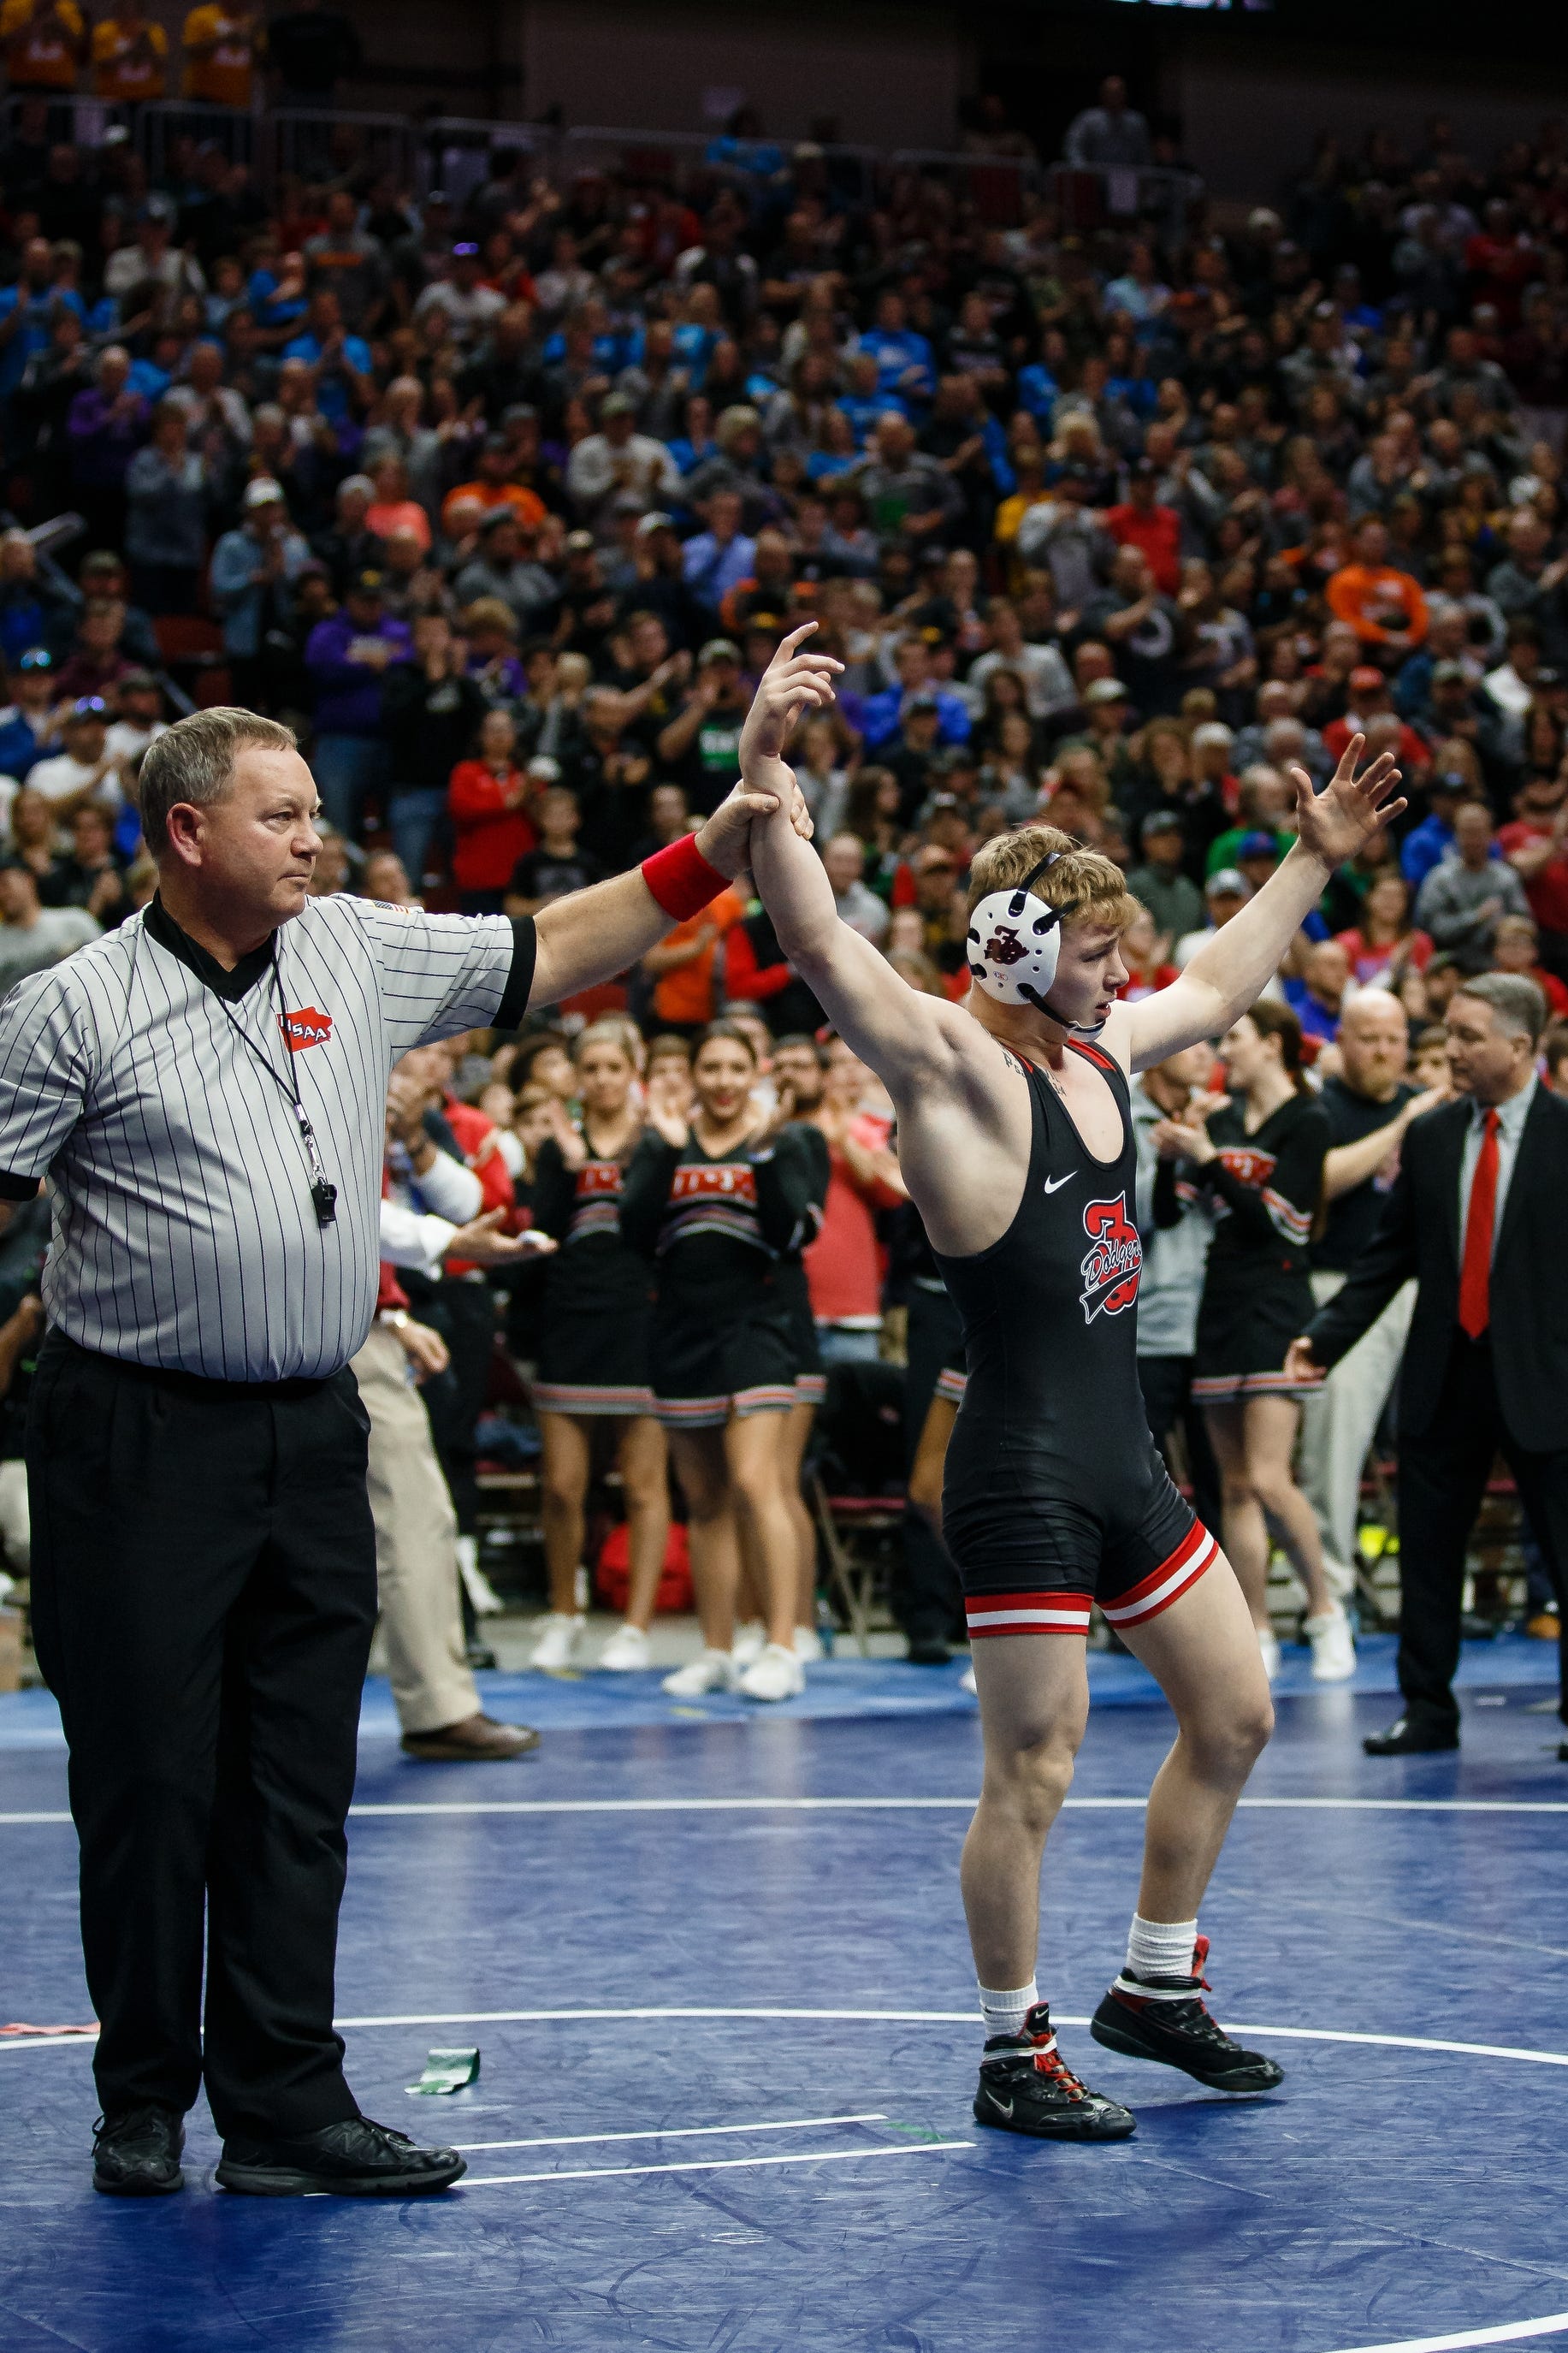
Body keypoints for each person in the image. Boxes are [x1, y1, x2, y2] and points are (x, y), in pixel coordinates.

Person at [0, 698, 808, 2200]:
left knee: (298, 1783)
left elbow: (554, 945)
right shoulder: (69, 1009)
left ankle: (287, 2110)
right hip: (133, 1438)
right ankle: (140, 2100)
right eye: (282, 816)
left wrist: (716, 845)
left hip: (311, 1429)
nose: (318, 836)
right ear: (187, 834)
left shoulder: (352, 949)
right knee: (146, 1786)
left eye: (317, 809)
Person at [746, 622, 1405, 2142]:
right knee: (1032, 1767)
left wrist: (1308, 863)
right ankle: (1006, 2049)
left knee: (1232, 1715)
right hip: (1023, 1475)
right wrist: (766, 767)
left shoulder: (1097, 1059)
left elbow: (1219, 987)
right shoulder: (953, 1076)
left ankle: (1154, 1988)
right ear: (1027, 954)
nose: (1123, 979)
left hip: (1122, 1458)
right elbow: (824, 950)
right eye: (1098, 956)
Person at [1289, 974, 1568, 1757]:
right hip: (1445, 1374)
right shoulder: (1432, 1135)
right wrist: (1325, 1337)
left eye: (1469, 1036)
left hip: (1546, 1381)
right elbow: (1390, 1256)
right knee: (1428, 1553)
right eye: (1448, 1031)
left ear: (1521, 1046)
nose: (1449, 1048)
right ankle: (1427, 1709)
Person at [619, 1019, 825, 1704]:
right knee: (703, 1500)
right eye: (711, 1068)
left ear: (755, 1073)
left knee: (753, 1482)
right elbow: (635, 1231)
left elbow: (789, 1232)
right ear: (692, 1077)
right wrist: (665, 1150)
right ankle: (713, 1650)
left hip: (758, 1329)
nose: (723, 1082)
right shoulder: (662, 1144)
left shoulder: (784, 1141)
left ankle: (781, 1644)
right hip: (678, 1329)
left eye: (736, 1069)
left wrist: (763, 1159)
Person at [1161, 1003, 1352, 1682]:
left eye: (1233, 1039)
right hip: (1220, 1304)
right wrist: (1172, 1156)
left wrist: (1209, 1160)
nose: (1223, 1052)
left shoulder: (1307, 1121)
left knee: (1271, 1478)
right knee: (1234, 1486)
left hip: (1276, 1303)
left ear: (1272, 1047)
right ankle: (1257, 1629)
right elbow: (1165, 1212)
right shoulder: (1214, 1118)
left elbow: (1285, 1225)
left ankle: (1327, 1610)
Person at [524, 1022, 671, 1674]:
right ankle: (563, 1612)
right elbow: (546, 1232)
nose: (603, 1079)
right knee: (560, 1486)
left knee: (641, 1485)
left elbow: (649, 1232)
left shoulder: (657, 1140)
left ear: (632, 1070)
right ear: (579, 1078)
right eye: (592, 1069)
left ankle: (635, 1627)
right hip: (569, 1320)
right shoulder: (558, 1145)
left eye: (615, 1067)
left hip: (639, 1320)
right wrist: (560, 1164)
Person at [1296, 992, 1447, 1604]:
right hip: (1343, 1294)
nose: (1382, 1050)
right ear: (1342, 1041)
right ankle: (1328, 1596)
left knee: (1441, 1444)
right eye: (1369, 1039)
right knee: (1333, 1450)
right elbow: (1319, 1182)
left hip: (1426, 1294)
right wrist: (1399, 1130)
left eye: (1393, 1039)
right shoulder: (1319, 1108)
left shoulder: (1428, 1108)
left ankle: (1440, 1587)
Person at [1130, 1041, 1222, 1549]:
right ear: (1156, 1051)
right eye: (1192, 1043)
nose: (1206, 1054)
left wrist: (1207, 1147)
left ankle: (1226, 1619)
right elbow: (1136, 1213)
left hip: (1212, 1318)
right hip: (1149, 1325)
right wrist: (1175, 1157)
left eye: (1212, 1044)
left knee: (1221, 1480)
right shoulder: (1119, 1115)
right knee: (1140, 1478)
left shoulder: (1221, 1115)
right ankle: (1131, 1623)